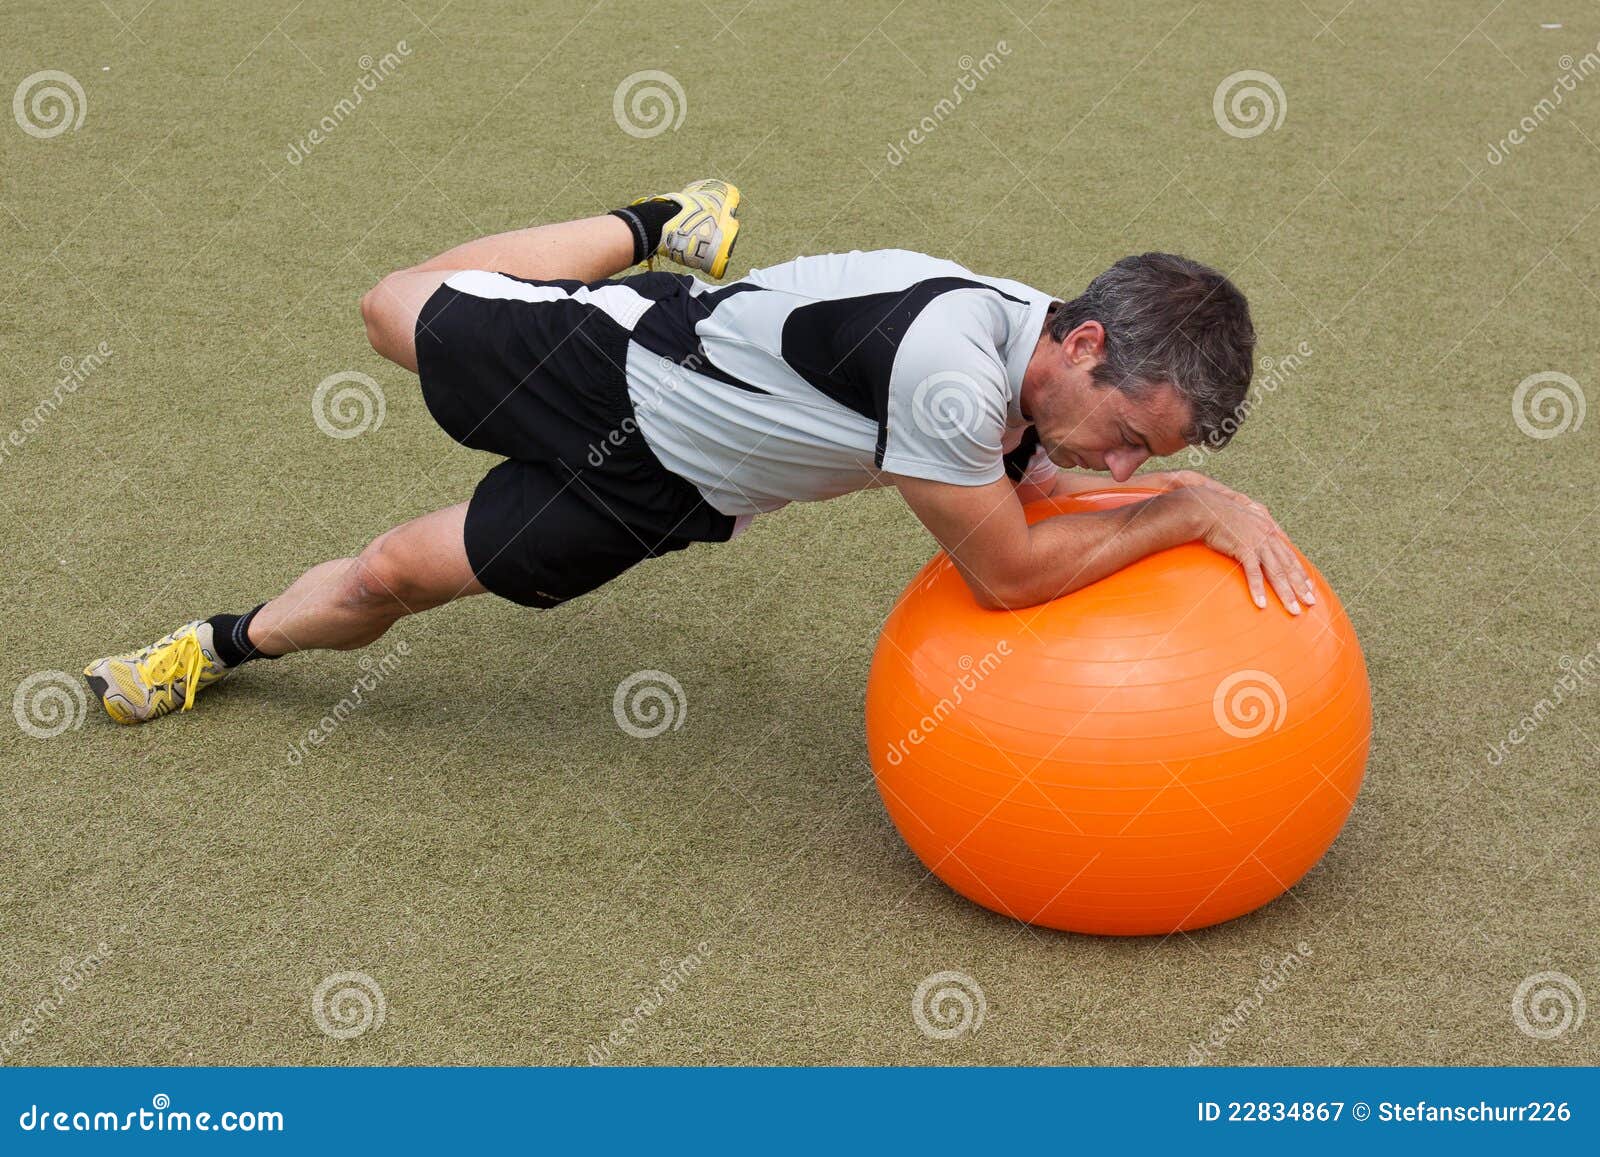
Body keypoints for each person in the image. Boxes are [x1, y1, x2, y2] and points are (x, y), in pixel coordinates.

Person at [83, 178, 1314, 725]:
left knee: (396, 576)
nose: (1117, 471)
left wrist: (1178, 484)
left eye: (1142, 459)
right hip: (615, 368)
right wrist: (1189, 509)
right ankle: (652, 223)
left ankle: (215, 644)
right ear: (1083, 339)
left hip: (672, 491)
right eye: (1127, 438)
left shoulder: (1036, 370)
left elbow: (1035, 500)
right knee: (388, 309)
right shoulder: (947, 368)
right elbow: (1012, 575)